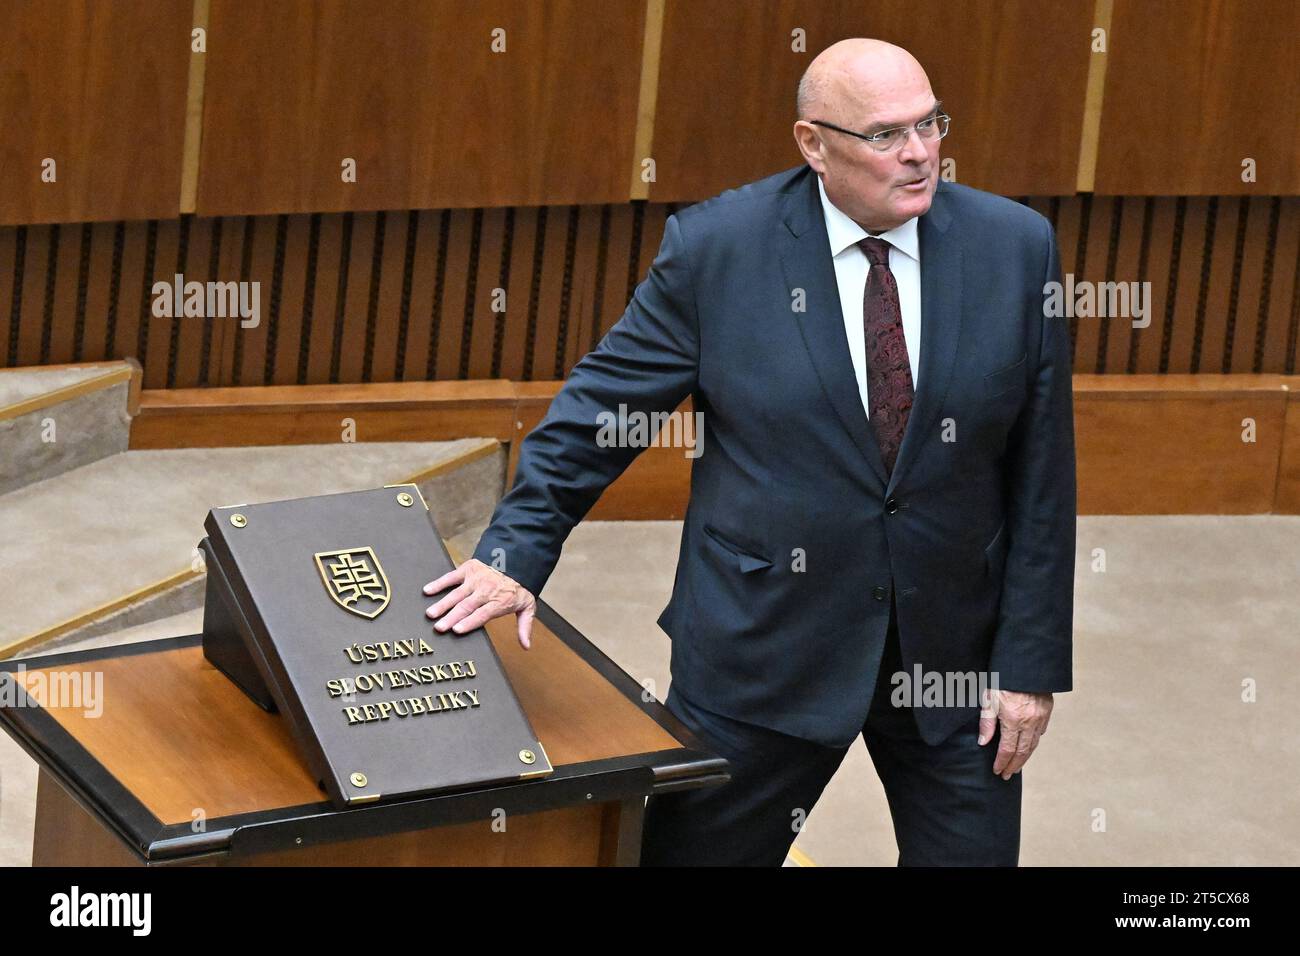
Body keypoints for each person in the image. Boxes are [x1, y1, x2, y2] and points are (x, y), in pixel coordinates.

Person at [423, 38, 1076, 866]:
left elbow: (1043, 473)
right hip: (765, 651)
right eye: (885, 135)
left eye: (930, 124)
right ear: (813, 144)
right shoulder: (718, 251)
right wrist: (515, 553)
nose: (919, 154)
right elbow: (600, 412)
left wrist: (1029, 663)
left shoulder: (1016, 247)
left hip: (955, 666)